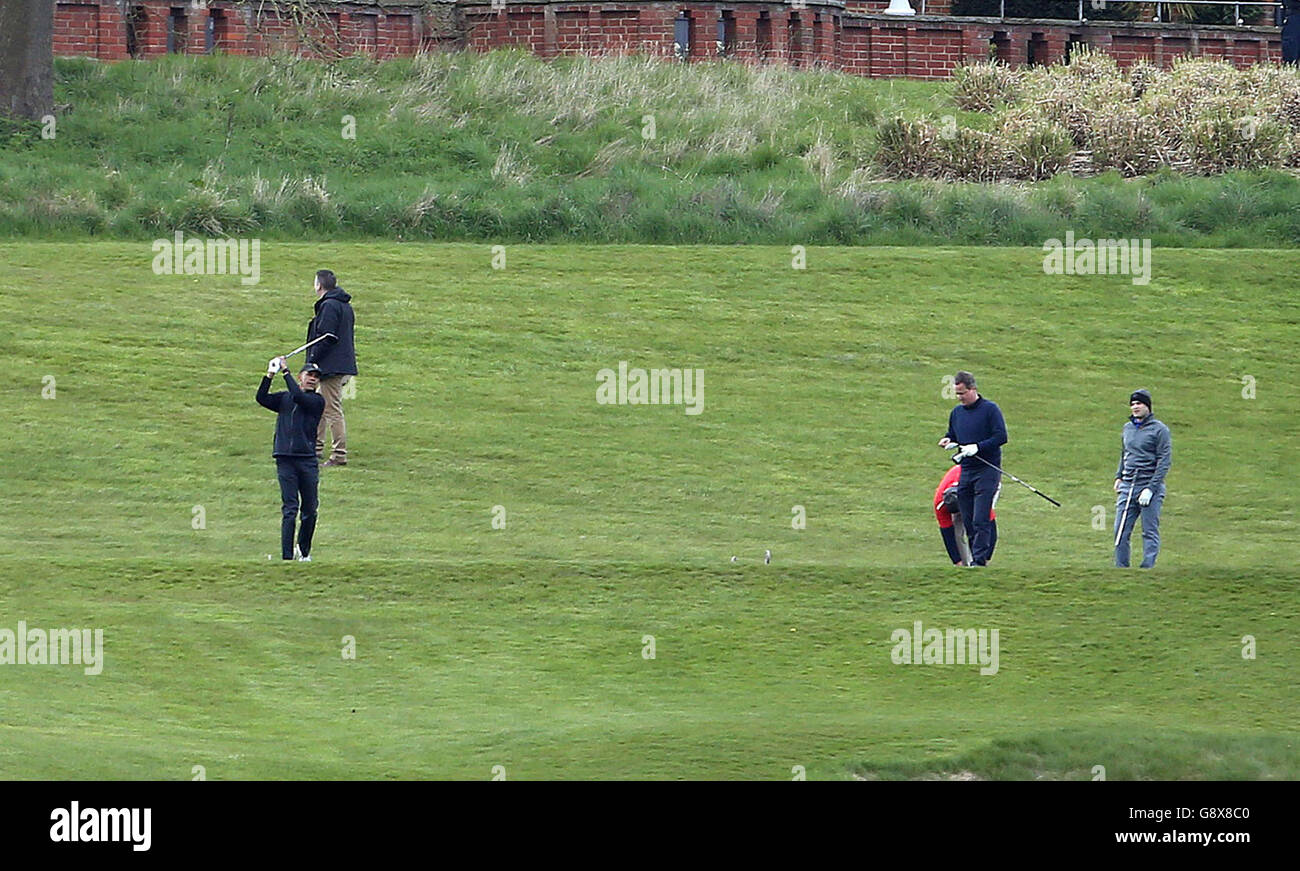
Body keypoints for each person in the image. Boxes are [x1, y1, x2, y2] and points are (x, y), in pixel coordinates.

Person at [257, 358, 326, 561]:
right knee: (290, 509)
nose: (312, 379)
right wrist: (269, 374)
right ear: (300, 377)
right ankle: (286, 557)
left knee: (310, 509)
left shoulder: (316, 401)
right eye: (309, 375)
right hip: (285, 459)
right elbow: (261, 398)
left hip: (307, 460)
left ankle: (303, 551)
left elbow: (299, 397)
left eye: (316, 378)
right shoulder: (285, 398)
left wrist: (285, 371)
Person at [938, 371, 1007, 567]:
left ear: (973, 389)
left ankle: (979, 561)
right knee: (967, 517)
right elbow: (953, 433)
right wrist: (949, 441)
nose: (960, 398)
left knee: (980, 518)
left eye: (962, 393)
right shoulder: (957, 413)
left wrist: (978, 447)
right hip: (966, 470)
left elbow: (1001, 437)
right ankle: (974, 560)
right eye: (957, 394)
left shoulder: (990, 410)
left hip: (987, 469)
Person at [1113, 389, 1172, 569]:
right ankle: (1121, 568)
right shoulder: (1127, 428)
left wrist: (1151, 488)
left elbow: (1164, 460)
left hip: (1149, 487)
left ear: (1147, 406)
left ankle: (1147, 568)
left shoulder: (1160, 430)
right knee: (1120, 531)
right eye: (1132, 404)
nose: (1135, 407)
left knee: (1149, 531)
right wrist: (1119, 476)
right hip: (1128, 486)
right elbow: (1125, 454)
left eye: (1139, 403)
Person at [306, 269, 357, 467]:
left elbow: (325, 338)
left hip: (330, 366)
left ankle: (339, 455)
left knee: (331, 409)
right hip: (338, 364)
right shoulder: (343, 306)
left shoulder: (329, 306)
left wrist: (312, 360)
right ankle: (315, 448)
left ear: (319, 285)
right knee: (318, 405)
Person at [934, 463, 997, 566]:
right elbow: (947, 533)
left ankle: (977, 561)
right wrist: (957, 561)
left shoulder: (979, 497)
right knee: (957, 533)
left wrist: (985, 558)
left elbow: (990, 526)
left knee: (979, 523)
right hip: (963, 485)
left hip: (986, 478)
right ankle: (966, 565)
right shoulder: (940, 504)